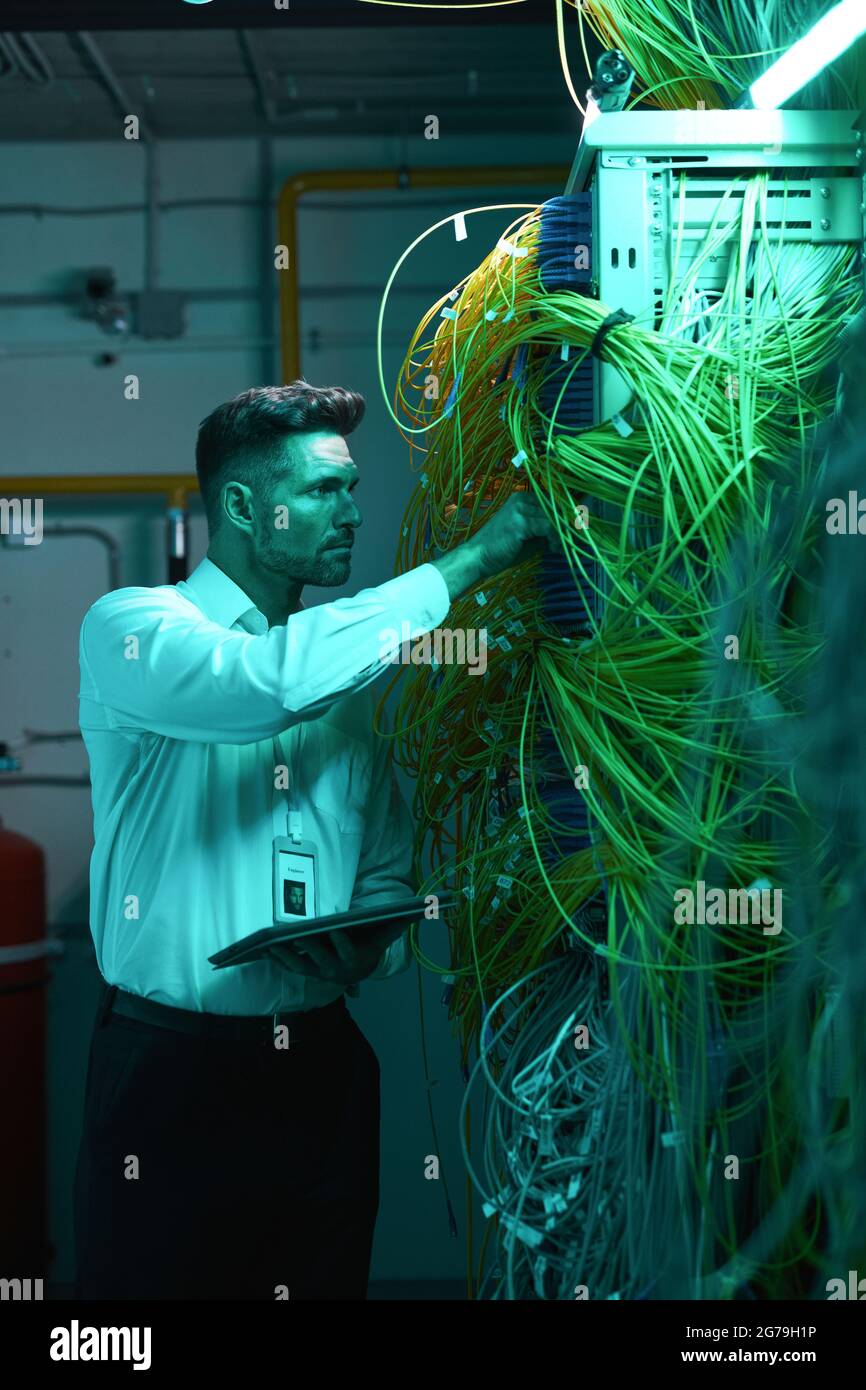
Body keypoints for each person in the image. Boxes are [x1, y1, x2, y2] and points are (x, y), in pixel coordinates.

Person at [72, 381, 556, 1300]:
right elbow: (259, 689)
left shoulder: (343, 700)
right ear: (249, 507)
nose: (354, 509)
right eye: (327, 489)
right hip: (172, 1072)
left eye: (353, 485)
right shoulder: (136, 631)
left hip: (320, 1070)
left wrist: (365, 937)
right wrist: (476, 558)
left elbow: (380, 873)